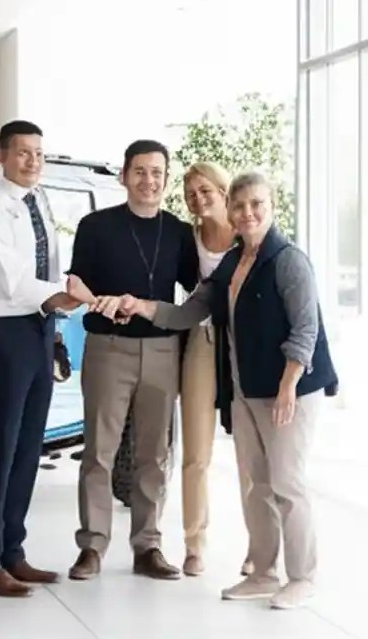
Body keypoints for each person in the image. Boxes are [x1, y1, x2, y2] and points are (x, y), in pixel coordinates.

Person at [93, 171, 337, 610]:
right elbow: (191, 312)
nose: (247, 214)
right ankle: (263, 573)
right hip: (245, 391)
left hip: (289, 391)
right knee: (257, 485)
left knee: (287, 482)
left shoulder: (288, 259)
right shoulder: (234, 261)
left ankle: (302, 577)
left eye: (256, 205)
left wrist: (287, 386)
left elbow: (306, 329)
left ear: (272, 206)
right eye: (240, 207)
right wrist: (142, 305)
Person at [0, 119, 94, 598]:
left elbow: (48, 272)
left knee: (28, 447)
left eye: (39, 153)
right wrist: (67, 294)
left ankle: (12, 551)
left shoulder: (39, 202)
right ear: (1, 156)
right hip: (6, 332)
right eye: (22, 152)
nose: (33, 161)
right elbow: (14, 282)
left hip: (39, 330)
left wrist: (57, 316)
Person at [64, 140, 197, 581]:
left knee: (153, 455)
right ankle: (93, 547)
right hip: (109, 349)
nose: (148, 181)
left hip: (162, 350)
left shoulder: (178, 232)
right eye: (139, 171)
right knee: (99, 454)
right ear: (124, 176)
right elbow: (75, 281)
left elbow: (199, 287)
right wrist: (98, 301)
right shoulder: (96, 226)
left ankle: (148, 547)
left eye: (157, 173)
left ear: (165, 179)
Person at [176, 162, 255, 578]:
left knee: (249, 453)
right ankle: (194, 544)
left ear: (223, 191)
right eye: (190, 194)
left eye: (205, 190)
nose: (198, 199)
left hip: (245, 347)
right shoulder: (188, 240)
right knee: (196, 452)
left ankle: (258, 546)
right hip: (202, 342)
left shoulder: (248, 236)